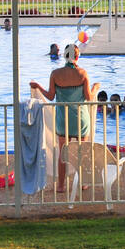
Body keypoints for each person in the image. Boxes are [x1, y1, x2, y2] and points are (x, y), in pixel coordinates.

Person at [29, 44, 99, 193]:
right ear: (77, 56)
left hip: (63, 120)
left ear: (65, 56)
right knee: (83, 151)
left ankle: (61, 186)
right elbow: (89, 97)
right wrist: (95, 87)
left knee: (62, 153)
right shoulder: (82, 73)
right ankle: (83, 183)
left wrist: (38, 86)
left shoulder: (55, 74)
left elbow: (50, 96)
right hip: (80, 119)